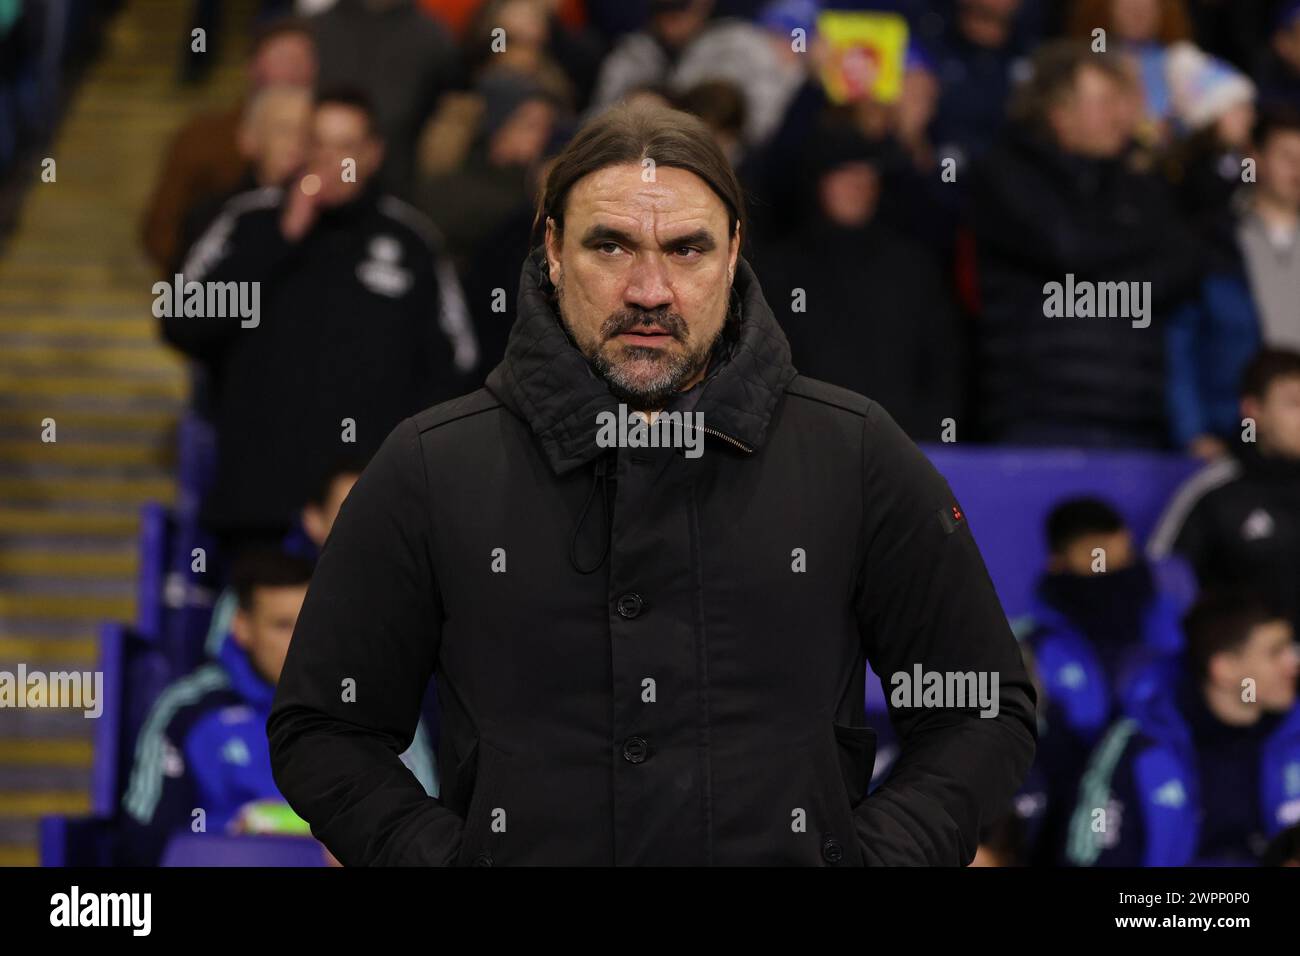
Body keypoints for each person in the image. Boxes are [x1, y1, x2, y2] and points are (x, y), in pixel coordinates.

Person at [267, 102, 1036, 867]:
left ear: (734, 255)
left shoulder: (856, 452)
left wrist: (865, 860)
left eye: (686, 250)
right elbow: (324, 728)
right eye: (611, 245)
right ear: (554, 250)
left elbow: (981, 706)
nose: (649, 289)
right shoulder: (432, 464)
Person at [163, 91, 478, 556]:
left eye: (346, 147)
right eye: (319, 144)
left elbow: (458, 369)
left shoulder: (411, 241)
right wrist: (280, 238)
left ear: (372, 155)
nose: (331, 161)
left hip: (373, 517)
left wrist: (395, 468)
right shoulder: (249, 220)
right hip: (257, 511)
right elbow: (182, 319)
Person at [971, 40, 1202, 446]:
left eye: (1122, 102)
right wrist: (1130, 267)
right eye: (1103, 102)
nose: (1120, 117)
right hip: (1038, 417)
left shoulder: (1142, 185)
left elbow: (1182, 265)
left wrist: (1091, 280)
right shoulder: (1005, 175)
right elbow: (1067, 247)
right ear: (1059, 114)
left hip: (1140, 418)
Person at [755, 119, 962, 443]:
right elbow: (764, 374)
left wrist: (924, 445)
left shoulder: (913, 267)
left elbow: (943, 368)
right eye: (844, 173)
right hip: (807, 454)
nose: (859, 185)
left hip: (905, 455)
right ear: (817, 182)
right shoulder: (777, 272)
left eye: (867, 174)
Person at [1066, 592, 1300, 866]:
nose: (1293, 663)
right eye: (1276, 652)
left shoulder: (1290, 734)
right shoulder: (1140, 745)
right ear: (1224, 669)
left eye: (1291, 648)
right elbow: (1089, 855)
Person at [1166, 107, 1300, 456]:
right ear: (1254, 158)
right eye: (1287, 156)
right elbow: (1180, 344)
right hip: (1235, 435)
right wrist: (1193, 432)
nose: (1297, 169)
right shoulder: (1210, 241)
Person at [140, 18, 317, 274]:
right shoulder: (203, 137)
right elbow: (161, 228)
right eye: (283, 57)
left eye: (304, 58)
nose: (294, 69)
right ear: (253, 67)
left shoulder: (332, 142)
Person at [1150, 348, 1300, 632]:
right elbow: (1162, 580)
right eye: (1294, 403)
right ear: (1253, 411)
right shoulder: (1213, 491)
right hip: (1247, 669)